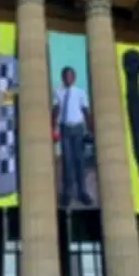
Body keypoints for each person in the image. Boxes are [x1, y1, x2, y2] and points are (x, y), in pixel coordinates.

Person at [52, 66, 93, 208]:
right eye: (65, 76)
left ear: (74, 78)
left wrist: (90, 129)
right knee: (67, 162)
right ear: (63, 77)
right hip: (65, 129)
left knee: (79, 161)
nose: (68, 78)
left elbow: (85, 111)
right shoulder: (58, 92)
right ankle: (67, 194)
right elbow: (55, 111)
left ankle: (83, 192)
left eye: (70, 76)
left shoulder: (80, 92)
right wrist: (53, 129)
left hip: (78, 128)